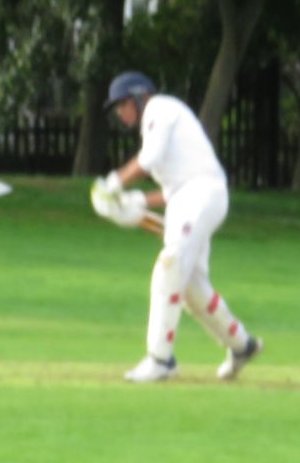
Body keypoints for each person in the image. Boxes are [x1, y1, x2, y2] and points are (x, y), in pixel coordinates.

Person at [99, 71, 262, 383]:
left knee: (169, 266)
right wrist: (138, 202)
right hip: (189, 198)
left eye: (121, 105)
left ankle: (160, 359)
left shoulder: (160, 109)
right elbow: (171, 190)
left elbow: (148, 160)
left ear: (139, 97)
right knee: (190, 288)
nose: (119, 113)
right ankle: (243, 345)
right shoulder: (157, 129)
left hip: (202, 195)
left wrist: (114, 183)